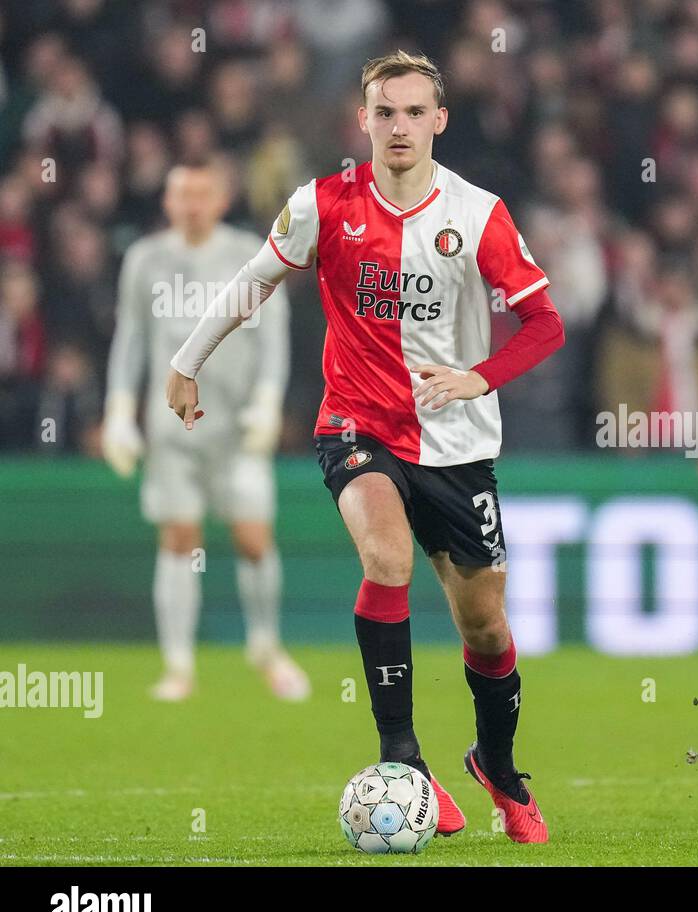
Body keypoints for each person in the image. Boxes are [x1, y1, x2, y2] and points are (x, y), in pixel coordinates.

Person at [164, 51, 564, 843]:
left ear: (439, 120)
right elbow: (251, 281)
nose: (401, 126)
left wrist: (479, 378)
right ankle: (403, 760)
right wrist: (186, 361)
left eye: (416, 112)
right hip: (355, 426)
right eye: (387, 112)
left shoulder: (478, 214)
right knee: (386, 560)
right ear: (364, 120)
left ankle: (497, 764)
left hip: (456, 445)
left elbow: (545, 322)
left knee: (484, 626)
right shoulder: (323, 205)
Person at [103, 160, 308, 703]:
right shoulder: (145, 259)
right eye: (181, 195)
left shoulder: (250, 253)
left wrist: (268, 401)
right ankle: (178, 665)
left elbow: (275, 337)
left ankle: (265, 646)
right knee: (177, 538)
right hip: (172, 431)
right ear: (167, 202)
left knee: (253, 538)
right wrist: (119, 411)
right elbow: (130, 340)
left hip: (236, 427)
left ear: (220, 199)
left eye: (201, 194)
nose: (191, 204)